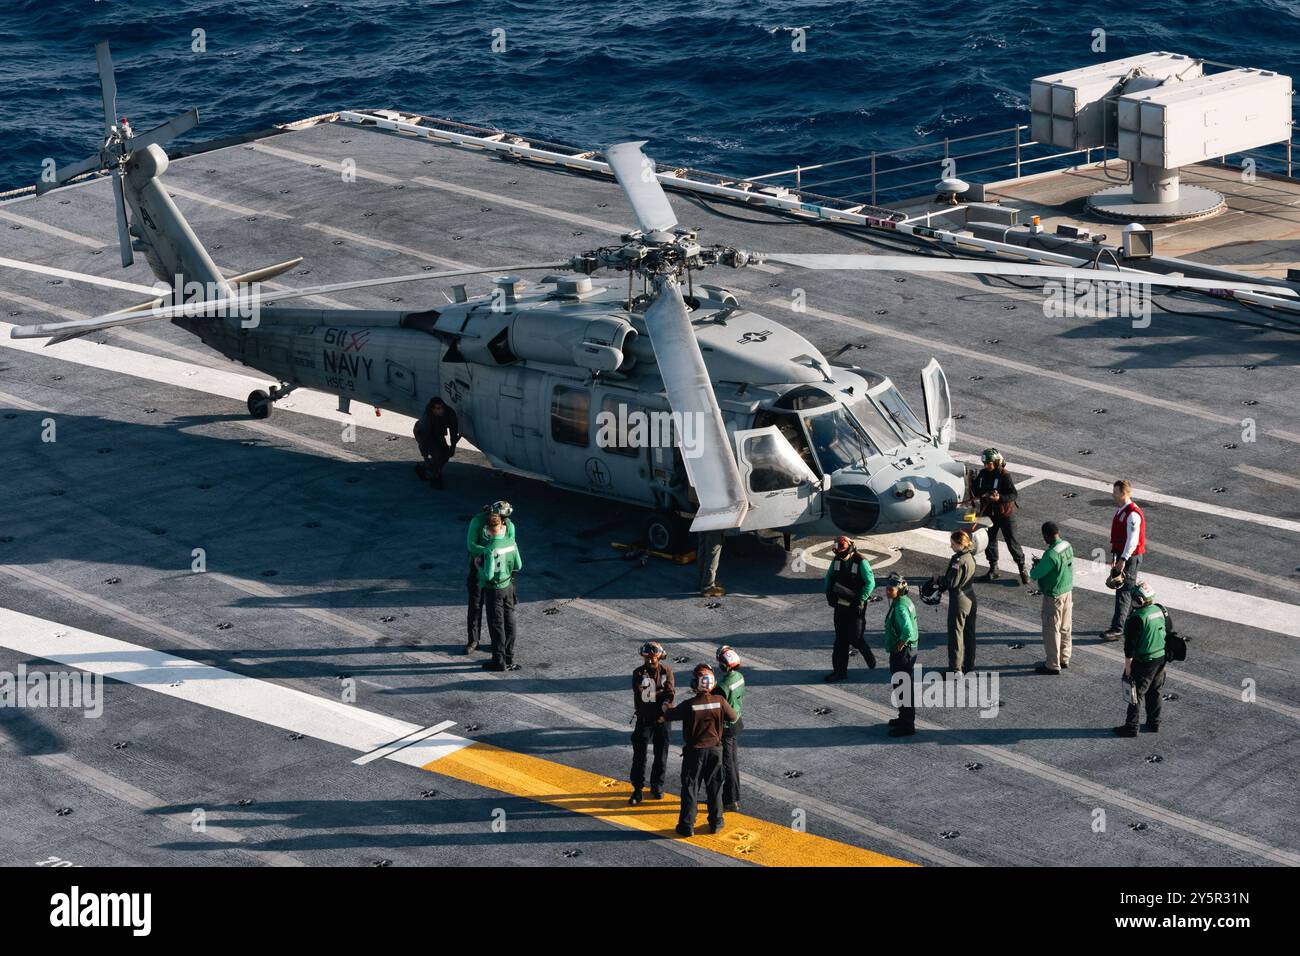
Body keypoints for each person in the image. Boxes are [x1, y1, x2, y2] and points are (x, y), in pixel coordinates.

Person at [662, 663, 736, 837]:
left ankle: (687, 825)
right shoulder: (720, 701)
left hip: (695, 752)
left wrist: (666, 704)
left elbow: (669, 714)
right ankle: (716, 822)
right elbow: (732, 717)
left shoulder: (690, 704)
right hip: (715, 750)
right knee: (715, 787)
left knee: (690, 787)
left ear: (696, 684)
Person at [1115, 580, 1171, 737]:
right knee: (1155, 691)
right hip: (1161, 657)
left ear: (1138, 600)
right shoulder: (1160, 609)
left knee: (1135, 694)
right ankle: (1155, 723)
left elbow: (1129, 648)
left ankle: (1131, 727)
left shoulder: (1137, 618)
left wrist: (1128, 668)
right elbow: (1169, 630)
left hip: (1144, 661)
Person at [823, 535, 878, 682]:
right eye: (838, 554)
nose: (840, 556)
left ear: (851, 549)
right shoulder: (837, 560)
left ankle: (867, 654)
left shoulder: (861, 562)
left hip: (856, 606)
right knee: (840, 640)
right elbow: (829, 578)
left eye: (842, 553)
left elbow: (870, 583)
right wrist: (828, 593)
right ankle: (840, 672)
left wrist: (861, 599)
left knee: (855, 637)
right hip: (841, 606)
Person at [970, 448, 1028, 584]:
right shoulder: (983, 474)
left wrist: (999, 498)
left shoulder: (1004, 475)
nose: (986, 466)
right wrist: (972, 481)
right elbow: (977, 492)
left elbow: (1013, 494)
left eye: (989, 463)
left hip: (1005, 515)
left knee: (1012, 543)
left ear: (996, 462)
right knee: (989, 541)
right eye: (985, 463)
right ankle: (993, 569)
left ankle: (1022, 568)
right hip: (990, 514)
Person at [465, 502, 515, 654]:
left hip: (501, 576)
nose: (503, 522)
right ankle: (474, 640)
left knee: (504, 612)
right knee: (475, 604)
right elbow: (471, 544)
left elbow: (511, 544)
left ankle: (502, 646)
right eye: (501, 518)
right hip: (480, 568)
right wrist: (488, 551)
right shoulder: (478, 521)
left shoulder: (509, 524)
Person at [629, 641, 675, 805]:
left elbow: (670, 694)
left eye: (653, 657)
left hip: (662, 721)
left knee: (661, 756)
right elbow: (645, 695)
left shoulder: (667, 671)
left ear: (659, 656)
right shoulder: (638, 673)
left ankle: (657, 786)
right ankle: (637, 789)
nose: (649, 660)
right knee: (639, 757)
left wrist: (663, 696)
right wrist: (661, 695)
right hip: (644, 720)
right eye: (647, 657)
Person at [1102, 479, 1147, 642]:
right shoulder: (1122, 510)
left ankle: (1118, 629)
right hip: (1123, 556)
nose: (1113, 495)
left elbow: (1132, 541)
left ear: (1124, 493)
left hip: (1130, 558)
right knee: (1125, 590)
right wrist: (1116, 557)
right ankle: (1128, 623)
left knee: (1124, 591)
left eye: (1115, 492)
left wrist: (1122, 560)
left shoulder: (1132, 514)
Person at [477, 511, 522, 671]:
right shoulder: (511, 542)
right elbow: (519, 565)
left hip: (494, 590)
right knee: (510, 619)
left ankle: (499, 660)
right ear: (502, 526)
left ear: (488, 530)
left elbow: (488, 575)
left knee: (496, 624)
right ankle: (509, 655)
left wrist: (479, 568)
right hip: (508, 587)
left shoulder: (489, 548)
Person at [1030, 521, 1074, 674]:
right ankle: (1064, 658)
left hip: (1053, 596)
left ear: (1047, 535)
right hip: (1067, 591)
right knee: (1065, 627)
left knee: (1051, 630)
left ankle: (1052, 664)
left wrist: (1036, 566)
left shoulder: (1050, 554)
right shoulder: (1067, 545)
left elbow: (1035, 574)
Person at [882, 573, 919, 737]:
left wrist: (898, 647)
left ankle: (907, 726)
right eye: (887, 588)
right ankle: (904, 718)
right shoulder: (905, 601)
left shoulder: (900, 607)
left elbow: (907, 631)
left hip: (903, 653)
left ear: (900, 590)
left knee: (903, 688)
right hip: (910, 651)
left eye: (891, 589)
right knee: (904, 687)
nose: (887, 592)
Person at [940, 529, 978, 674]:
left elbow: (952, 582)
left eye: (953, 544)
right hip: (971, 597)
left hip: (959, 599)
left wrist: (939, 580)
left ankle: (955, 670)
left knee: (956, 635)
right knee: (970, 634)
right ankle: (969, 665)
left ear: (960, 544)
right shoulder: (970, 556)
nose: (951, 546)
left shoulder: (958, 561)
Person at [714, 645, 745, 812]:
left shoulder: (723, 685)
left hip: (725, 727)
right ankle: (734, 796)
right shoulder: (739, 676)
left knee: (727, 764)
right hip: (736, 722)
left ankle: (730, 800)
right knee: (733, 761)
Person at [413, 397, 459, 489]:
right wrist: (425, 457)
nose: (441, 410)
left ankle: (431, 469)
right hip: (423, 433)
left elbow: (454, 430)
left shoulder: (449, 413)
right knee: (436, 455)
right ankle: (435, 475)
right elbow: (423, 440)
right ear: (433, 410)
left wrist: (453, 446)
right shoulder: (426, 419)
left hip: (438, 433)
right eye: (438, 408)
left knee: (445, 454)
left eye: (442, 407)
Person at [697, 529, 725, 597]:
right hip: (715, 523)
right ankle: (708, 586)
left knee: (703, 548)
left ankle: (703, 580)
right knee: (713, 551)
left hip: (702, 521)